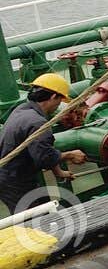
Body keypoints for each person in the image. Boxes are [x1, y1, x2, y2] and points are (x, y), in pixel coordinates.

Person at [0, 74, 87, 217]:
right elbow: (44, 157)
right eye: (59, 101)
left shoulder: (22, 109)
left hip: (12, 175)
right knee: (34, 219)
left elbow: (43, 148)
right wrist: (70, 155)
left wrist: (59, 172)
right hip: (14, 181)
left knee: (44, 208)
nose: (59, 106)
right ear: (53, 97)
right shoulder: (37, 122)